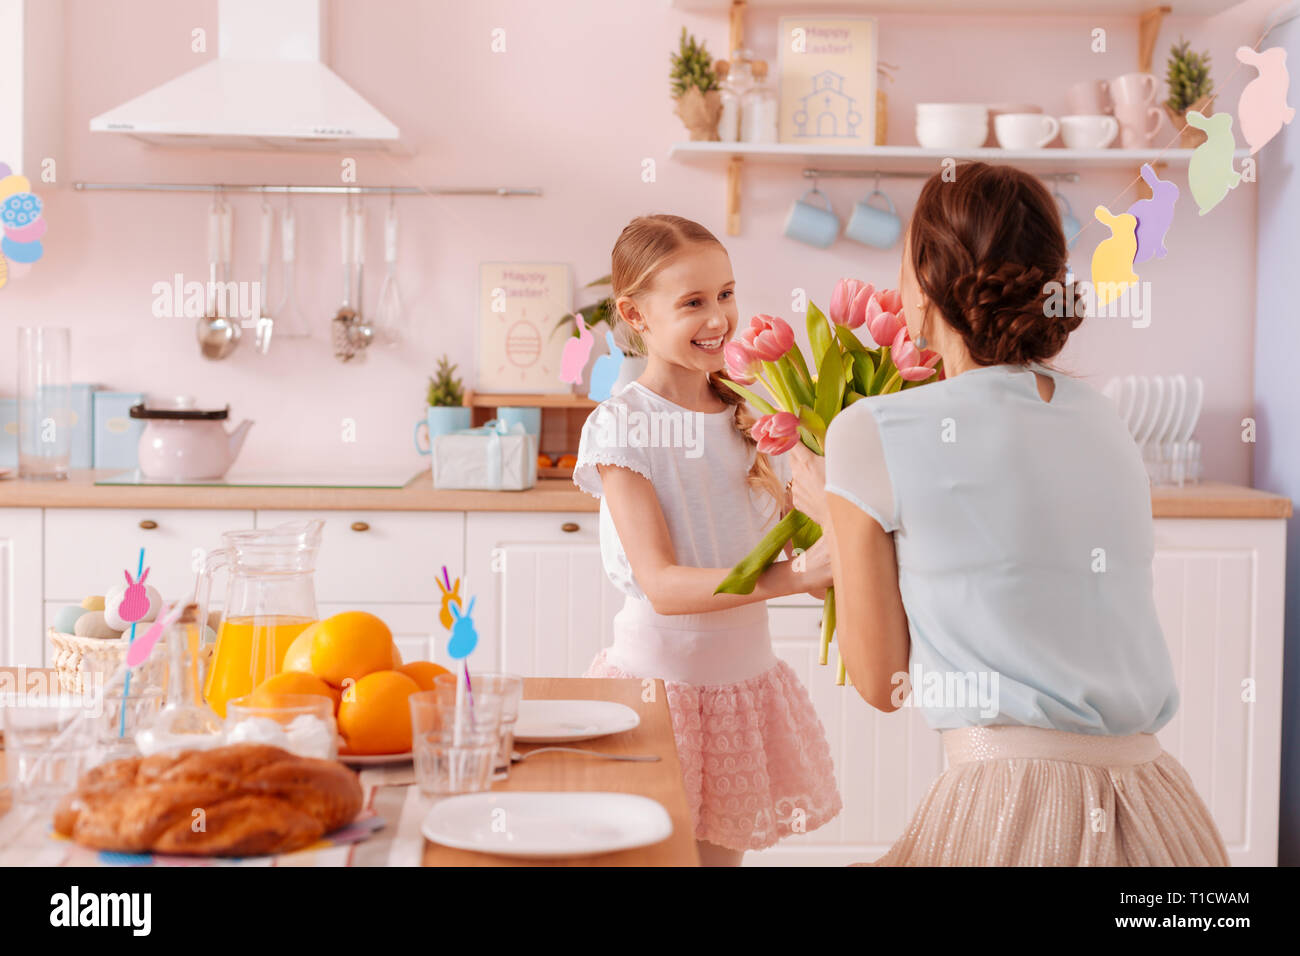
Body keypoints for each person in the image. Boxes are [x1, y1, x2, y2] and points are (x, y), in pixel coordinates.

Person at [791, 163, 1229, 866]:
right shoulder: (1104, 417)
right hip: (1158, 809)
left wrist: (830, 514)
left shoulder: (871, 430)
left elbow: (879, 682)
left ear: (930, 280)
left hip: (1011, 812)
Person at [573, 214, 842, 867]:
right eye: (692, 302)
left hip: (742, 687)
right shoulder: (622, 426)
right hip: (659, 692)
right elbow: (663, 586)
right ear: (634, 313)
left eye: (725, 294)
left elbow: (792, 537)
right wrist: (804, 576)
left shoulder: (756, 414)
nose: (718, 317)